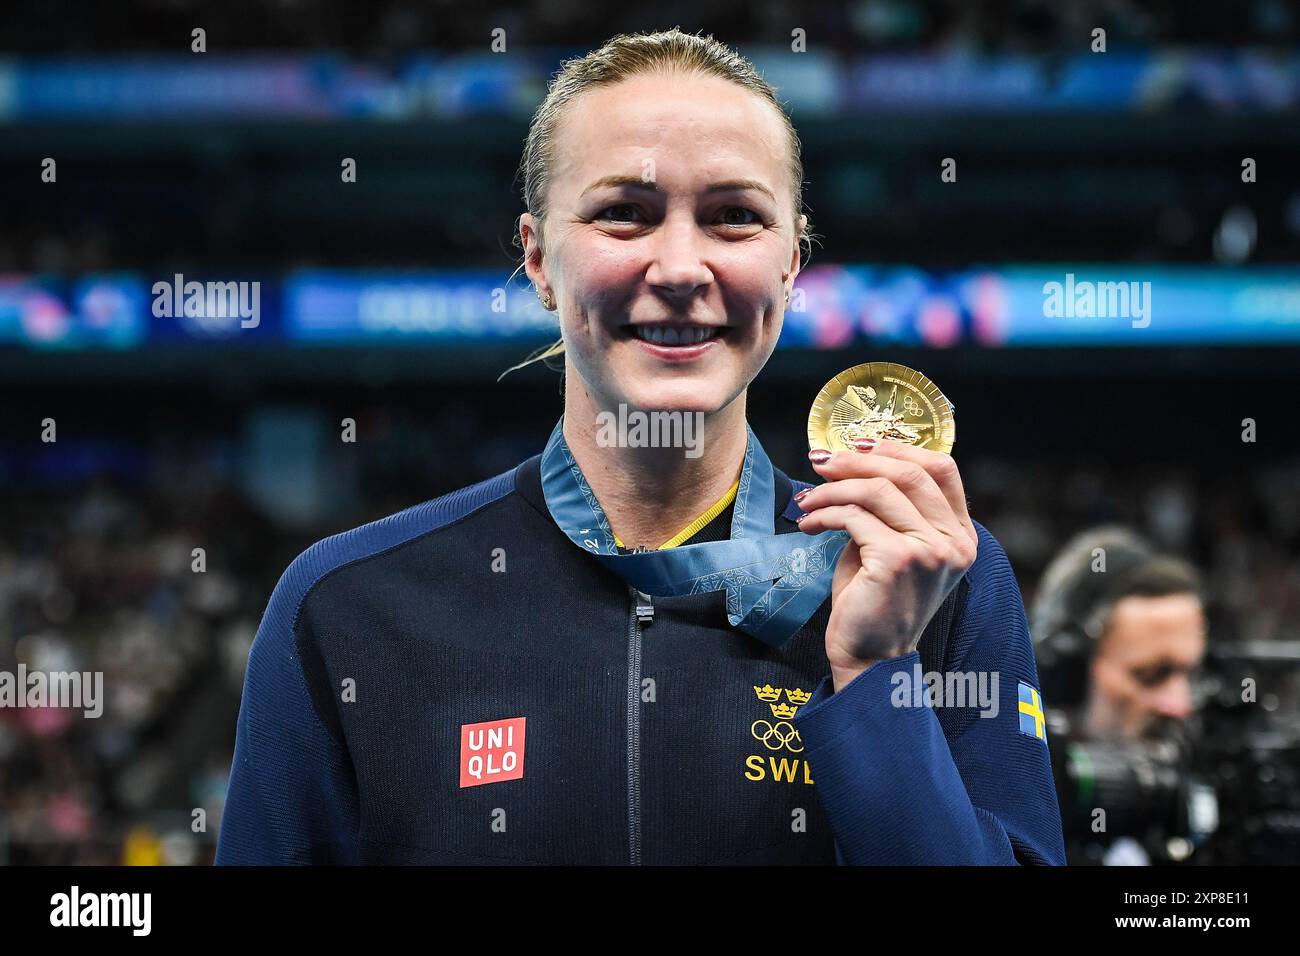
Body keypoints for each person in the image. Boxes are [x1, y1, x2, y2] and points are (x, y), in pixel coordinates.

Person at [215, 27, 1064, 865]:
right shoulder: (348, 608)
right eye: (625, 213)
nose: (682, 267)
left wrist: (878, 674)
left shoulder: (937, 579)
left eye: (735, 217)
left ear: (791, 264)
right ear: (539, 257)